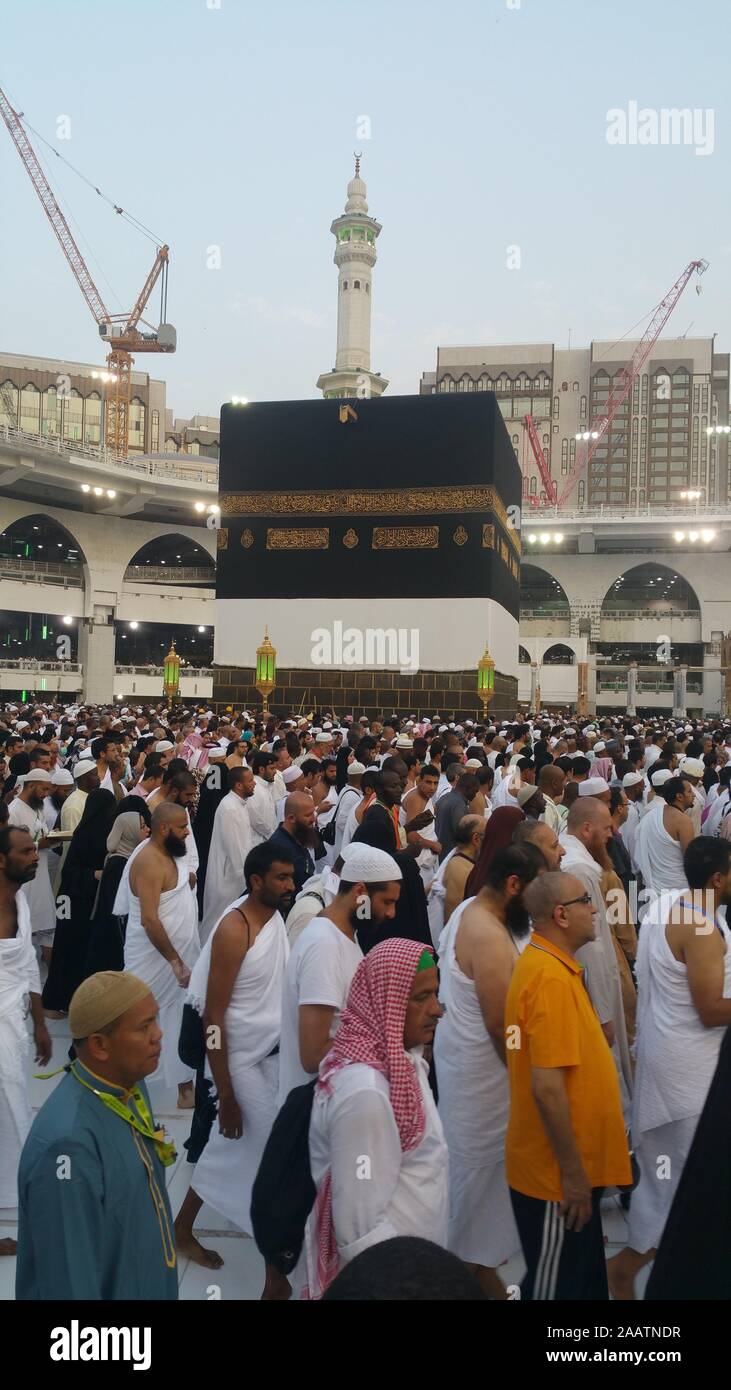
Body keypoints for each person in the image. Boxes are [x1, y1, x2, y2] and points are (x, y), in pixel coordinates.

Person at [607, 837, 731, 1300]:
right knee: (683, 1189)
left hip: (672, 1064)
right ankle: (627, 1267)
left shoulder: (669, 906)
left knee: (670, 1185)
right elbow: (710, 1008)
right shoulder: (699, 928)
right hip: (689, 1082)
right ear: (717, 879)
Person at [297, 937, 447, 1299]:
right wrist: (416, 1289)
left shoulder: (395, 1061)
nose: (438, 1009)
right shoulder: (365, 1093)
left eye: (435, 995)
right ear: (387, 1002)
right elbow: (359, 1231)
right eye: (420, 998)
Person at [505, 872, 632, 1300]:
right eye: (585, 902)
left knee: (582, 1286)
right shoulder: (548, 979)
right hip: (556, 1181)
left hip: (572, 1174)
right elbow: (548, 1088)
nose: (595, 909)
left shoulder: (555, 967)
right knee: (554, 1290)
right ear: (561, 915)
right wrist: (574, 1177)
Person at [175, 843, 293, 1296]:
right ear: (255, 881)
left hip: (272, 1056)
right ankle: (274, 1278)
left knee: (228, 1154)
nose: (290, 886)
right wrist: (224, 1093)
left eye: (291, 877)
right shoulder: (234, 929)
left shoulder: (275, 919)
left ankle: (182, 1228)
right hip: (238, 1063)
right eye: (281, 878)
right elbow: (213, 1018)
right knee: (271, 1163)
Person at [16, 971, 178, 1300]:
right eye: (144, 1026)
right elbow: (69, 1285)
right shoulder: (68, 1147)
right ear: (100, 1045)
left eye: (155, 1021)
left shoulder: (129, 1085)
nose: (158, 1035)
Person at [435, 844, 544, 1298]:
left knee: (480, 1204)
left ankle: (485, 1282)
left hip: (470, 1075)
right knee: (474, 1201)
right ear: (514, 885)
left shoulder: (471, 912)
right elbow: (503, 1028)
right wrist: (527, 1078)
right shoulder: (488, 933)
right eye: (536, 892)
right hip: (481, 1087)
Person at [278, 843, 402, 1105]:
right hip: (315, 1113)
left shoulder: (345, 936)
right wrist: (384, 1038)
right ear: (360, 892)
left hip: (341, 1101)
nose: (391, 913)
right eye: (387, 902)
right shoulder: (324, 945)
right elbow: (313, 1055)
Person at [124, 802, 201, 1108]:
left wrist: (186, 882)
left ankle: (185, 1090)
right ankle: (123, 1082)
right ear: (165, 828)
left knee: (179, 1017)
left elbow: (175, 886)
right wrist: (175, 962)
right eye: (182, 827)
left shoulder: (172, 853)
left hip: (181, 956)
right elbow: (149, 919)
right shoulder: (148, 861)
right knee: (135, 1018)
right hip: (154, 958)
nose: (186, 833)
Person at [560, 797, 633, 1112]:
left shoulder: (584, 861)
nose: (612, 833)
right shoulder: (587, 871)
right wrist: (633, 954)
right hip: (605, 970)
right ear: (587, 828)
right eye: (607, 827)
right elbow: (614, 929)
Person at [0, 826, 52, 1255]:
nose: (36, 857)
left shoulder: (19, 898)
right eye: (26, 852)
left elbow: (29, 968)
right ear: (2, 859)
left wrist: (40, 1024)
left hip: (13, 1029)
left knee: (13, 1111)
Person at [42, 788, 117, 1015]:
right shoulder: (84, 836)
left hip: (91, 905)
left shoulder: (108, 834)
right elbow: (70, 873)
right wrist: (94, 875)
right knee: (70, 951)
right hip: (75, 903)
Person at [85, 801, 150, 976]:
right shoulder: (118, 864)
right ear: (129, 832)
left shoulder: (124, 858)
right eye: (142, 827)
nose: (147, 830)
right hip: (112, 940)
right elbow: (117, 910)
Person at [199, 765, 255, 942]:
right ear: (239, 785)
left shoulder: (238, 804)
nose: (254, 784)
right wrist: (248, 878)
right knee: (216, 924)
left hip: (236, 876)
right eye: (250, 780)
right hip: (229, 878)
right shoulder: (230, 807)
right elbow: (235, 850)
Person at [8, 768, 56, 955]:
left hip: (41, 876)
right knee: (25, 931)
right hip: (24, 882)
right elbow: (10, 849)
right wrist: (38, 844)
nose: (45, 795)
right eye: (43, 790)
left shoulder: (38, 807)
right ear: (31, 785)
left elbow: (40, 834)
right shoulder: (14, 811)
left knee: (45, 930)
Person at [634, 774, 694, 896]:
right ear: (679, 796)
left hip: (656, 886)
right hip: (677, 887)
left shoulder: (652, 815)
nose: (693, 795)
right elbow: (690, 859)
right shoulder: (683, 821)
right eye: (689, 791)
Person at [266, 792, 317, 898]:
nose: (313, 819)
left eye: (313, 813)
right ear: (291, 818)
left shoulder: (299, 837)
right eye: (308, 815)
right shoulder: (279, 849)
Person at [441, 814, 485, 924]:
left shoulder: (459, 856)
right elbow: (452, 918)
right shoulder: (461, 868)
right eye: (488, 835)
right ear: (476, 839)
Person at [436, 773, 480, 860]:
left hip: (440, 851)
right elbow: (461, 833)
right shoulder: (459, 804)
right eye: (474, 791)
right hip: (449, 854)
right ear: (466, 788)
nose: (475, 795)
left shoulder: (444, 797)